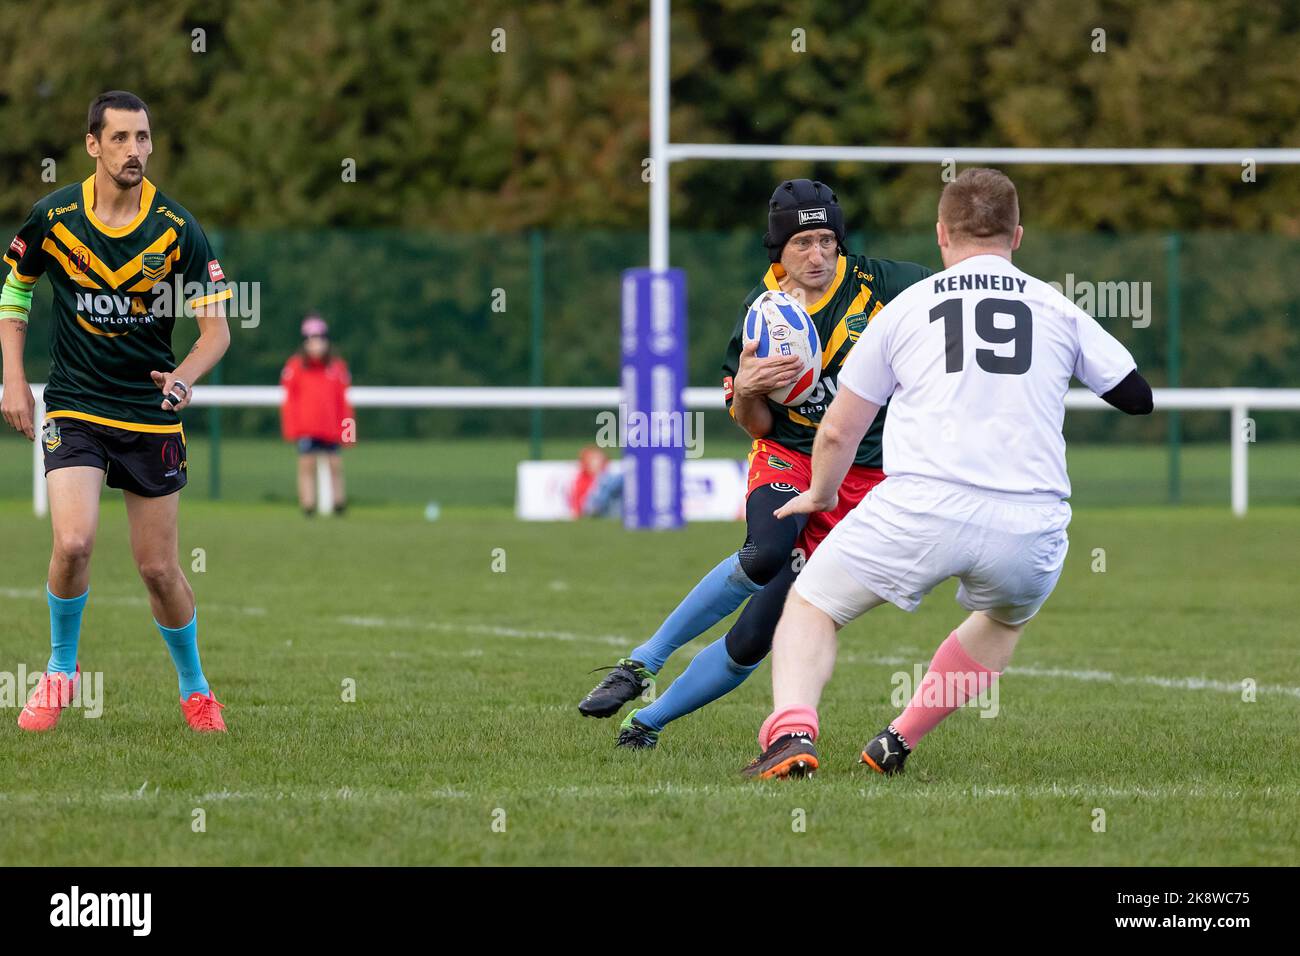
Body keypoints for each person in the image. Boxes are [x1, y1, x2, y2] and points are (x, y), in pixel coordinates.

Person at [742, 168, 1154, 779]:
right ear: (1017, 235)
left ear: (941, 233)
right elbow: (1136, 395)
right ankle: (897, 740)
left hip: (923, 506)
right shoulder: (1055, 306)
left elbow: (837, 429)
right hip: (1031, 522)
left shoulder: (907, 307)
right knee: (1005, 618)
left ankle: (794, 732)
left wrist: (820, 493)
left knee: (810, 605)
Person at [576, 179, 932, 749]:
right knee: (765, 551)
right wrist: (745, 389)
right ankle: (642, 663)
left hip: (866, 482)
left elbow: (960, 295)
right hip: (789, 455)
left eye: (826, 241)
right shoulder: (760, 313)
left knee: (754, 637)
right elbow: (756, 423)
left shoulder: (888, 284)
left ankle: (645, 723)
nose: (817, 256)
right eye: (801, 244)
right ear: (777, 250)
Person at [0, 91, 233, 732]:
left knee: (158, 569)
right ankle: (59, 672)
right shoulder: (53, 217)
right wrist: (13, 381)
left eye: (145, 138)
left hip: (148, 414)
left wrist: (182, 380)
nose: (137, 150)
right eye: (123, 138)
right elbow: (14, 292)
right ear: (93, 144)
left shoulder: (179, 229)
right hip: (74, 406)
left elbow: (216, 331)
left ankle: (195, 689)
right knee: (73, 542)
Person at [280, 314, 354, 516]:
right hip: (307, 427)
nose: (315, 345)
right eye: (311, 341)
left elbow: (344, 402)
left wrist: (348, 432)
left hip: (330, 427)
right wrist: (291, 429)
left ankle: (339, 503)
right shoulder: (295, 367)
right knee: (306, 465)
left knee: (335, 464)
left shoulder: (337, 367)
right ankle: (308, 504)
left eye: (319, 340)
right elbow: (290, 401)